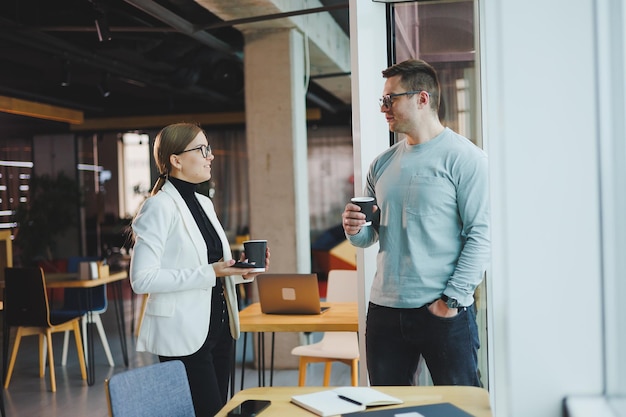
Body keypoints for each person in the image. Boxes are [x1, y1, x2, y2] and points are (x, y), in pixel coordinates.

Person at [342, 59, 490, 387]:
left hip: (443, 309)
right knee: (386, 407)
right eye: (383, 100)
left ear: (422, 99)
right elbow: (370, 237)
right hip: (384, 309)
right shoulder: (381, 164)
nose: (384, 108)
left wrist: (451, 301)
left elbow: (480, 235)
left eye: (390, 98)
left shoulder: (465, 158)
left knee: (459, 409)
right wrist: (355, 229)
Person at [130, 122, 270, 416]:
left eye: (209, 148)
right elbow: (142, 279)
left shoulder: (204, 203)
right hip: (182, 335)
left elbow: (211, 266)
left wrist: (241, 271)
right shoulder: (158, 207)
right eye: (202, 149)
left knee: (218, 411)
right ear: (176, 160)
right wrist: (212, 272)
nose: (211, 156)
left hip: (219, 331)